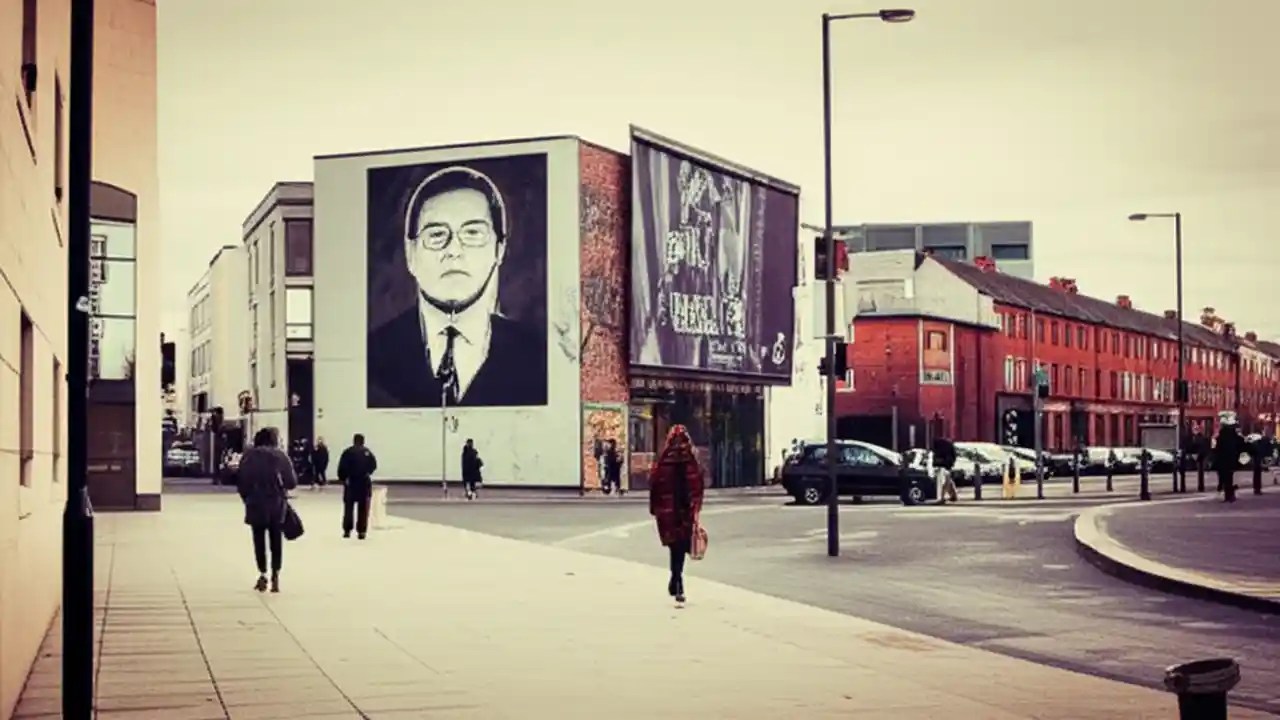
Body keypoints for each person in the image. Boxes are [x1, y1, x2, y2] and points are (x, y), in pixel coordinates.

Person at [367, 166, 547, 408]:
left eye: (473, 232)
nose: (453, 250)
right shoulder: (372, 355)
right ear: (411, 253)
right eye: (436, 234)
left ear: (499, 248)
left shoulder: (538, 357)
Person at [236, 427, 297, 593]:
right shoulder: (280, 456)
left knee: (259, 540)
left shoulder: (248, 456)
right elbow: (291, 482)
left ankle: (262, 573)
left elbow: (241, 481)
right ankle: (275, 574)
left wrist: (247, 498)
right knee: (276, 540)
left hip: (255, 503)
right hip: (276, 504)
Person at [649, 425, 704, 604]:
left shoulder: (664, 460)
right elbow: (698, 485)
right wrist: (696, 507)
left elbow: (655, 485)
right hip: (685, 510)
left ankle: (676, 578)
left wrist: (654, 508)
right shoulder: (692, 460)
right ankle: (677, 579)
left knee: (675, 546)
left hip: (667, 511)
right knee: (681, 546)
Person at [338, 433, 379, 538]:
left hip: (351, 482)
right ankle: (361, 531)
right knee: (363, 509)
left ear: (354, 440)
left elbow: (341, 467)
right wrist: (367, 473)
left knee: (348, 508)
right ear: (363, 441)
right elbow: (374, 465)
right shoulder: (367, 452)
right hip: (364, 482)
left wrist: (344, 478)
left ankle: (347, 530)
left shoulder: (348, 452)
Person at [1213, 421, 1244, 503]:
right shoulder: (1234, 438)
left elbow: (1217, 449)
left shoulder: (1221, 438)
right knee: (1229, 478)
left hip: (1223, 461)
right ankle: (1230, 494)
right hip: (1231, 460)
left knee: (1225, 478)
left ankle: (1228, 494)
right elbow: (1241, 446)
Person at [930, 435, 959, 503]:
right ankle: (953, 496)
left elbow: (935, 454)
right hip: (947, 464)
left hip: (942, 465)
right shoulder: (949, 444)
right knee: (948, 480)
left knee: (944, 482)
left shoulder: (937, 445)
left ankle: (942, 497)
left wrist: (935, 463)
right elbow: (954, 455)